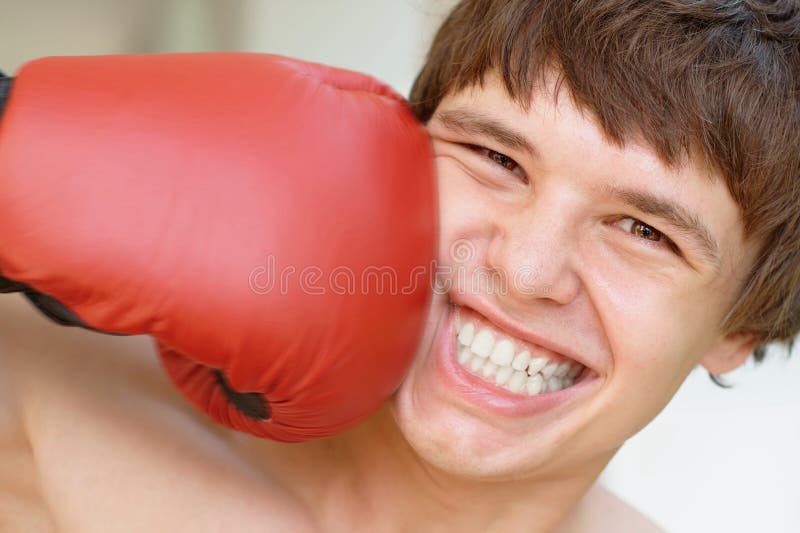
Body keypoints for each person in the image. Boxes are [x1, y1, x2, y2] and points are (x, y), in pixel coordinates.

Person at [1, 0, 798, 531]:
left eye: (644, 230)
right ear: (396, 138)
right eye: (495, 157)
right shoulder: (50, 392)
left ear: (741, 323)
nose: (523, 269)